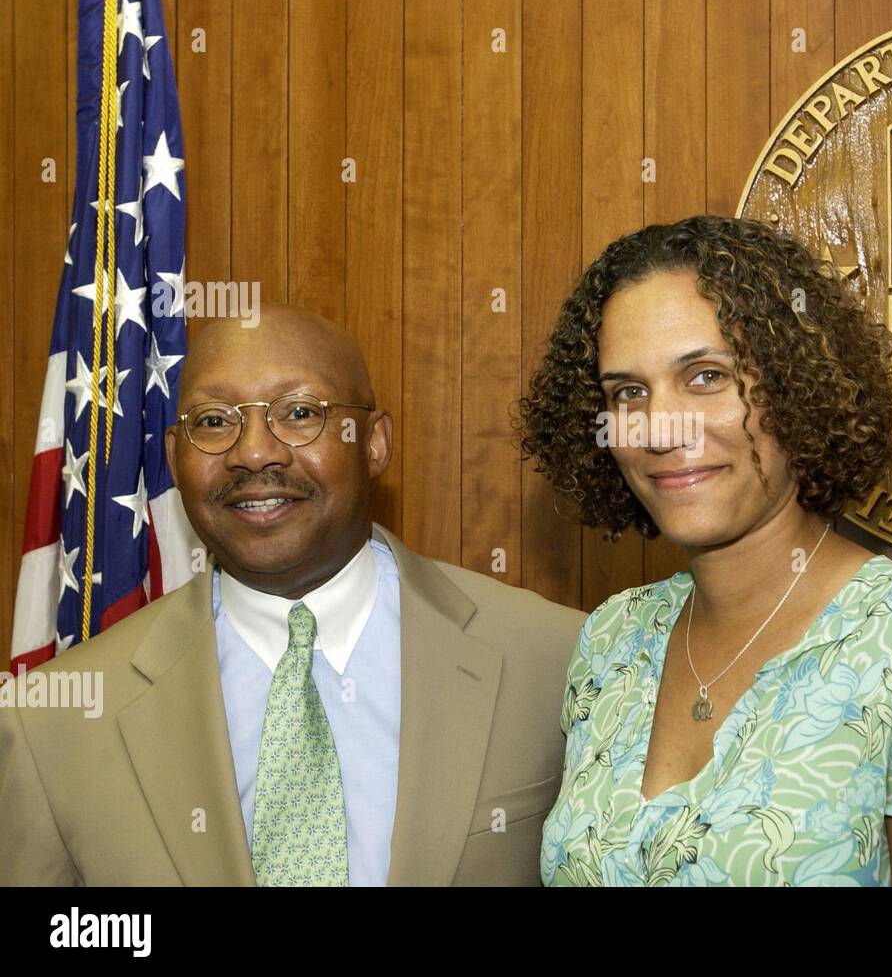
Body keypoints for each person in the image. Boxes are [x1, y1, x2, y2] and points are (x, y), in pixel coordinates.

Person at [518, 215, 892, 886]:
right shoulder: (612, 641)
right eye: (629, 392)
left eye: (706, 376)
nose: (660, 429)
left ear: (797, 388)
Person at [0, 305, 586, 885]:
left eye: (300, 413)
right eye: (214, 421)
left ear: (374, 443)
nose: (253, 453)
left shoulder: (561, 658)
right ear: (175, 457)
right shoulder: (50, 721)